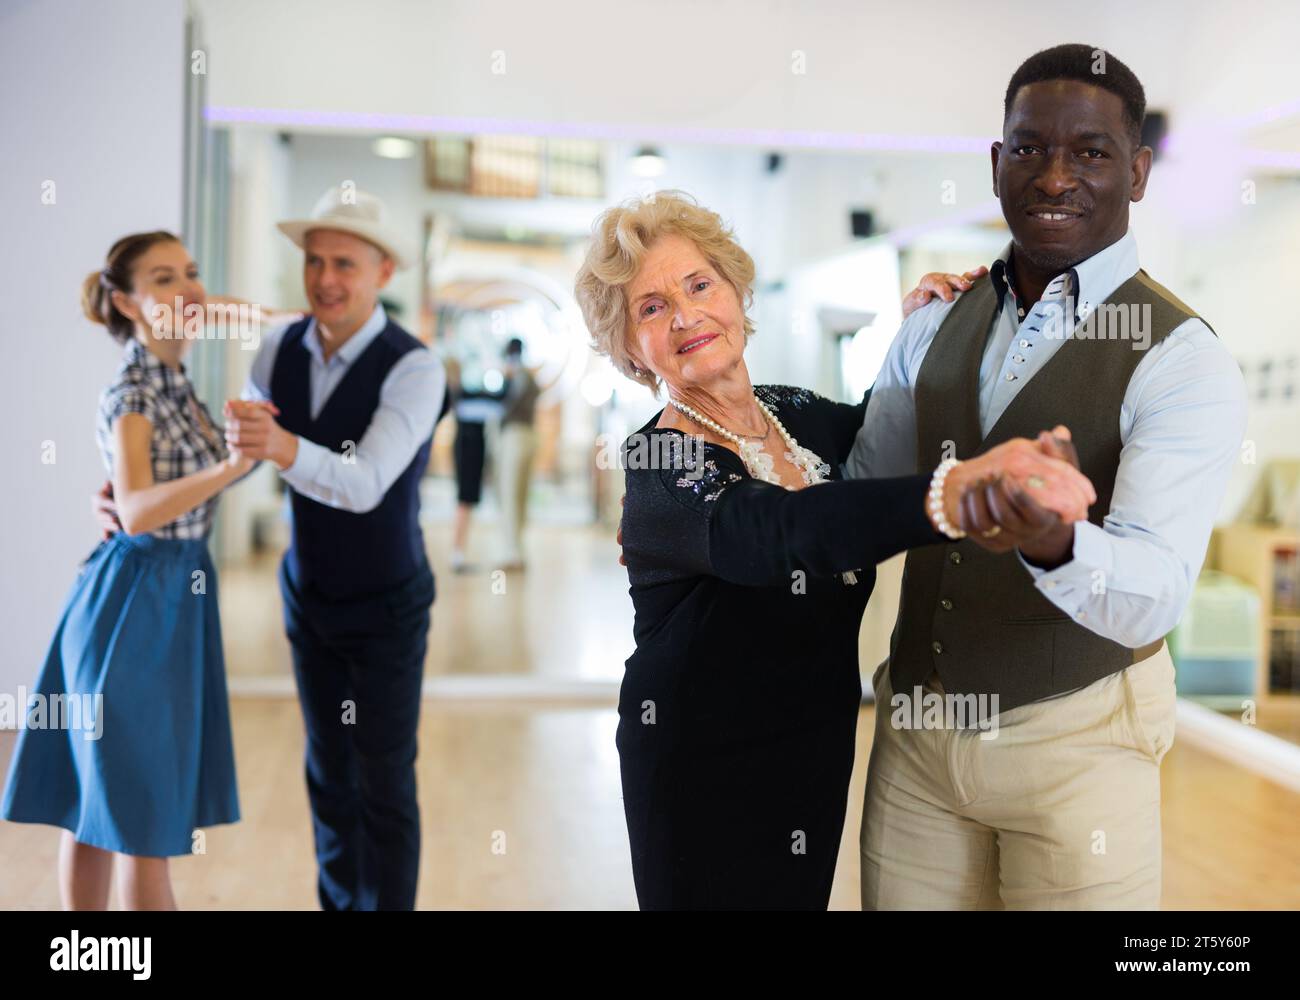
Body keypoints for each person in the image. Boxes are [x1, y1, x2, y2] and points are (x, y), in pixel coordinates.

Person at [578, 191, 1094, 909]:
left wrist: (924, 330)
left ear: (734, 290)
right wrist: (952, 494)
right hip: (699, 767)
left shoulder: (793, 413)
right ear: (631, 348)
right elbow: (782, 533)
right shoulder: (660, 456)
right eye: (651, 307)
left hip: (810, 750)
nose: (687, 315)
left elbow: (883, 437)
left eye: (699, 284)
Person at [849, 44, 1249, 910]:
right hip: (917, 742)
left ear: (1137, 173)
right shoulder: (930, 327)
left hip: (1082, 744)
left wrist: (1057, 541)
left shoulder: (1182, 359)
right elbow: (859, 498)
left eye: (1092, 152)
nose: (1055, 176)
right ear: (997, 164)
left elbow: (1154, 593)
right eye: (1029, 148)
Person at [3, 231, 253, 909]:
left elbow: (250, 314)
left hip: (171, 595)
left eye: (193, 273)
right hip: (135, 604)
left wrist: (194, 303)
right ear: (125, 300)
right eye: (164, 279)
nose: (189, 289)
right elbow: (139, 511)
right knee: (139, 818)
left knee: (105, 800)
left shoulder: (175, 379)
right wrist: (232, 467)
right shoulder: (137, 390)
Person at [222, 186, 447, 910]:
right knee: (327, 771)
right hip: (308, 594)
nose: (324, 278)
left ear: (383, 272)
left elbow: (367, 482)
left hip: (387, 604)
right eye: (314, 261)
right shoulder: (278, 347)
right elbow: (246, 452)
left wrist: (284, 445)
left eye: (343, 263)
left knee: (383, 778)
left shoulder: (414, 368)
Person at [446, 358, 505, 573]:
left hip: (471, 451)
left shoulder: (464, 396)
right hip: (467, 452)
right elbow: (495, 403)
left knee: (466, 502)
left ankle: (459, 553)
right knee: (465, 501)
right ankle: (457, 554)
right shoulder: (460, 396)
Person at [496, 337, 540, 570]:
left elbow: (507, 407)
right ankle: (517, 550)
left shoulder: (518, 376)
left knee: (511, 494)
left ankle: (513, 553)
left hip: (515, 435)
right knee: (519, 495)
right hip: (529, 435)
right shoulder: (529, 376)